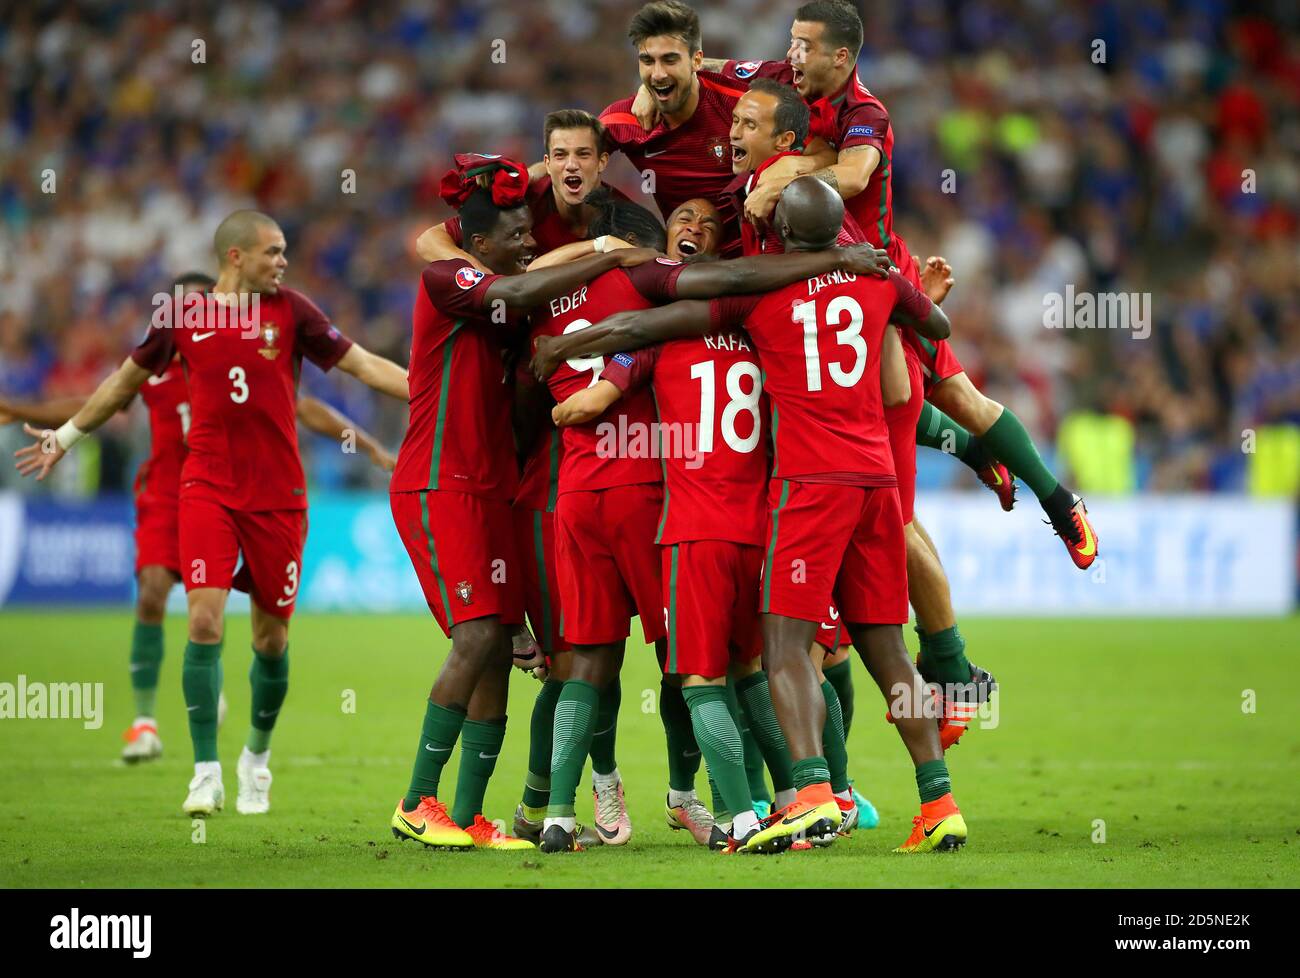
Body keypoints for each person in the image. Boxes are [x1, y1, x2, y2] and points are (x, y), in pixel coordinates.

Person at [531, 178, 971, 854]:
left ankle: (814, 795)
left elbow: (643, 325)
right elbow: (936, 328)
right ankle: (939, 801)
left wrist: (563, 348)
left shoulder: (757, 296)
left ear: (786, 238)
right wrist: (897, 303)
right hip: (877, 483)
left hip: (811, 486)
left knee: (785, 647)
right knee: (888, 647)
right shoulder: (880, 278)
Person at [15, 212, 411, 819]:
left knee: (270, 641)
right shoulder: (180, 319)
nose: (283, 261)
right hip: (205, 489)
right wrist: (63, 437)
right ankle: (205, 773)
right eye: (273, 252)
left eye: (284, 252)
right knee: (203, 621)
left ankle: (255, 756)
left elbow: (362, 365)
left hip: (278, 497)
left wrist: (432, 390)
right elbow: (122, 385)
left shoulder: (294, 312)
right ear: (235, 256)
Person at [387, 155, 662, 851]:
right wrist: (603, 254)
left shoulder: (505, 292)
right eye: (515, 236)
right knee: (476, 636)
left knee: (499, 652)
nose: (528, 243)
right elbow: (516, 285)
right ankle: (418, 800)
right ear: (480, 244)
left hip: (491, 489)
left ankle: (471, 814)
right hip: (439, 482)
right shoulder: (449, 277)